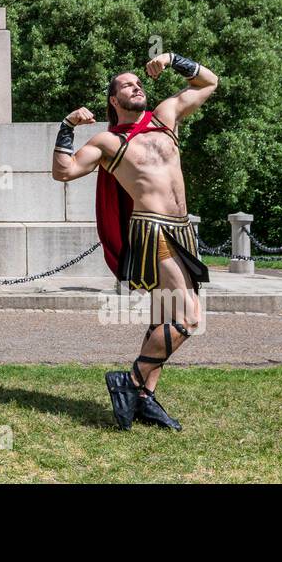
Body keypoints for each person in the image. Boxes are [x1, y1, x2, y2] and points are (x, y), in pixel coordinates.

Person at [50, 52, 219, 430]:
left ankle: (144, 398)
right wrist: (66, 125)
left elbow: (209, 82)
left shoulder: (165, 117)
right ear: (114, 100)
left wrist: (174, 60)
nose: (136, 86)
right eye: (127, 85)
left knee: (164, 315)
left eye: (137, 82)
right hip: (152, 230)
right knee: (188, 318)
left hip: (182, 230)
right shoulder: (108, 142)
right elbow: (63, 172)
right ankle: (129, 381)